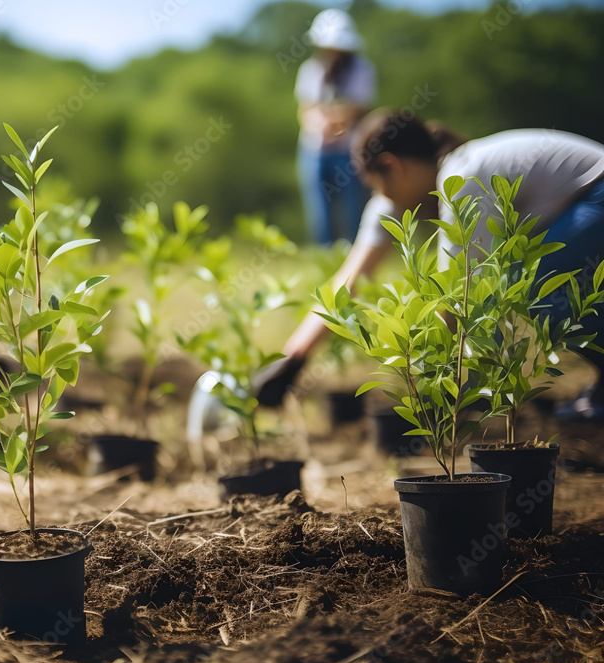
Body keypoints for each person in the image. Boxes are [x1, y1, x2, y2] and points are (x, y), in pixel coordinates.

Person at [253, 109, 604, 421]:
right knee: (515, 285)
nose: (379, 195)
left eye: (374, 184)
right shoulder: (394, 198)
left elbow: (458, 294)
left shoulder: (459, 179)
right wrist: (291, 361)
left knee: (527, 285)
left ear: (391, 165)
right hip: (580, 205)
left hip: (596, 193)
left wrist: (425, 376)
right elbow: (347, 282)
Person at [294, 8, 375, 245]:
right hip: (313, 150)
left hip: (348, 150)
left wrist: (331, 117)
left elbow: (358, 107)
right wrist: (322, 123)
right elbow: (305, 109)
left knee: (354, 211)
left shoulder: (362, 69)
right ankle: (325, 260)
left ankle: (355, 262)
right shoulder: (311, 70)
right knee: (320, 214)